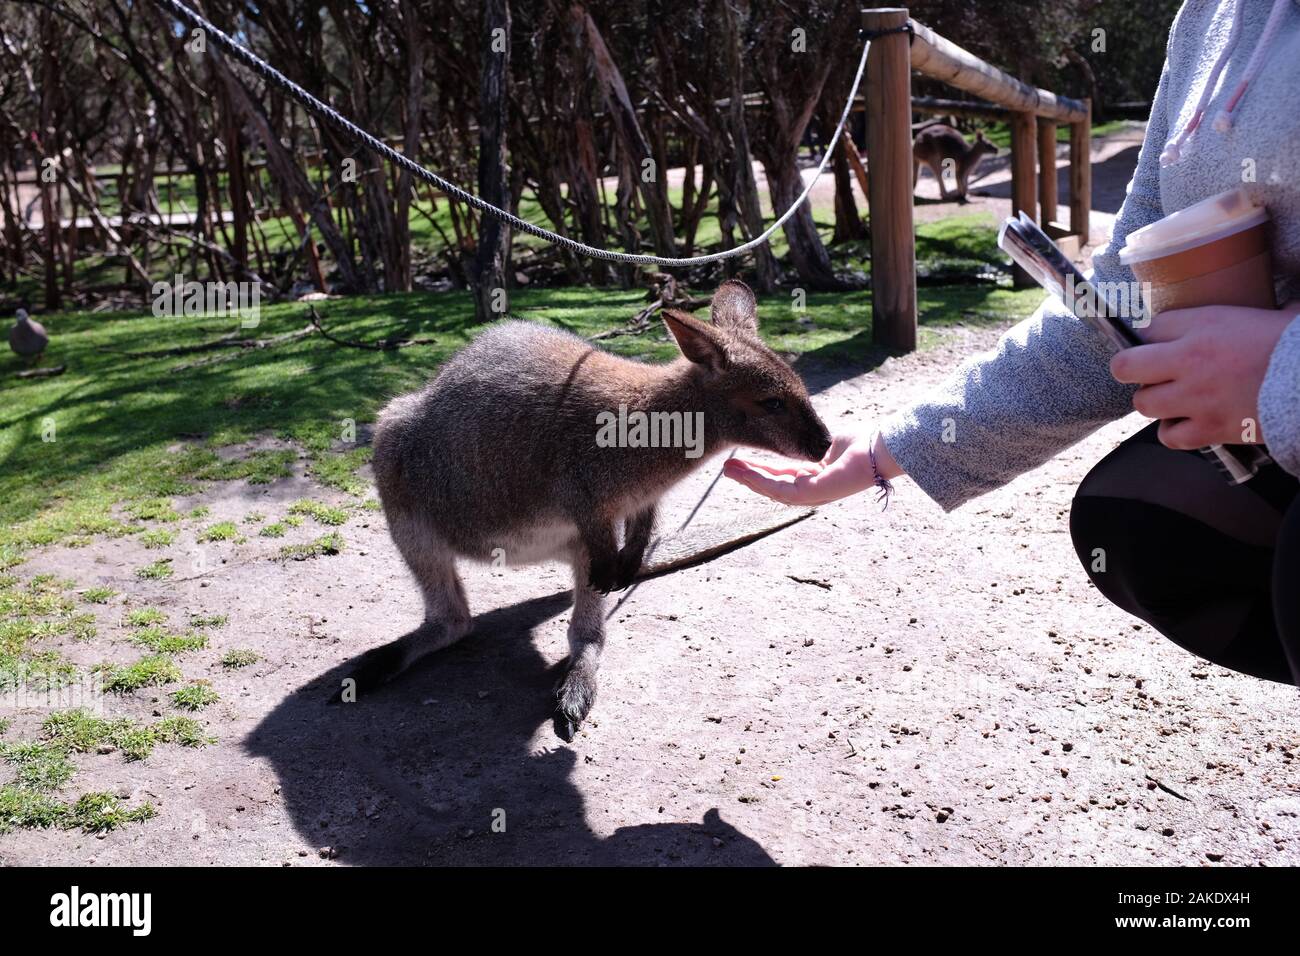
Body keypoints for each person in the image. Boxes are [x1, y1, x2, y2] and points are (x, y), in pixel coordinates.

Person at [724, 0, 1300, 685]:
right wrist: (891, 447)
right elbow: (1118, 299)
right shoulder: (1210, 18)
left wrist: (1283, 369)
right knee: (1136, 525)